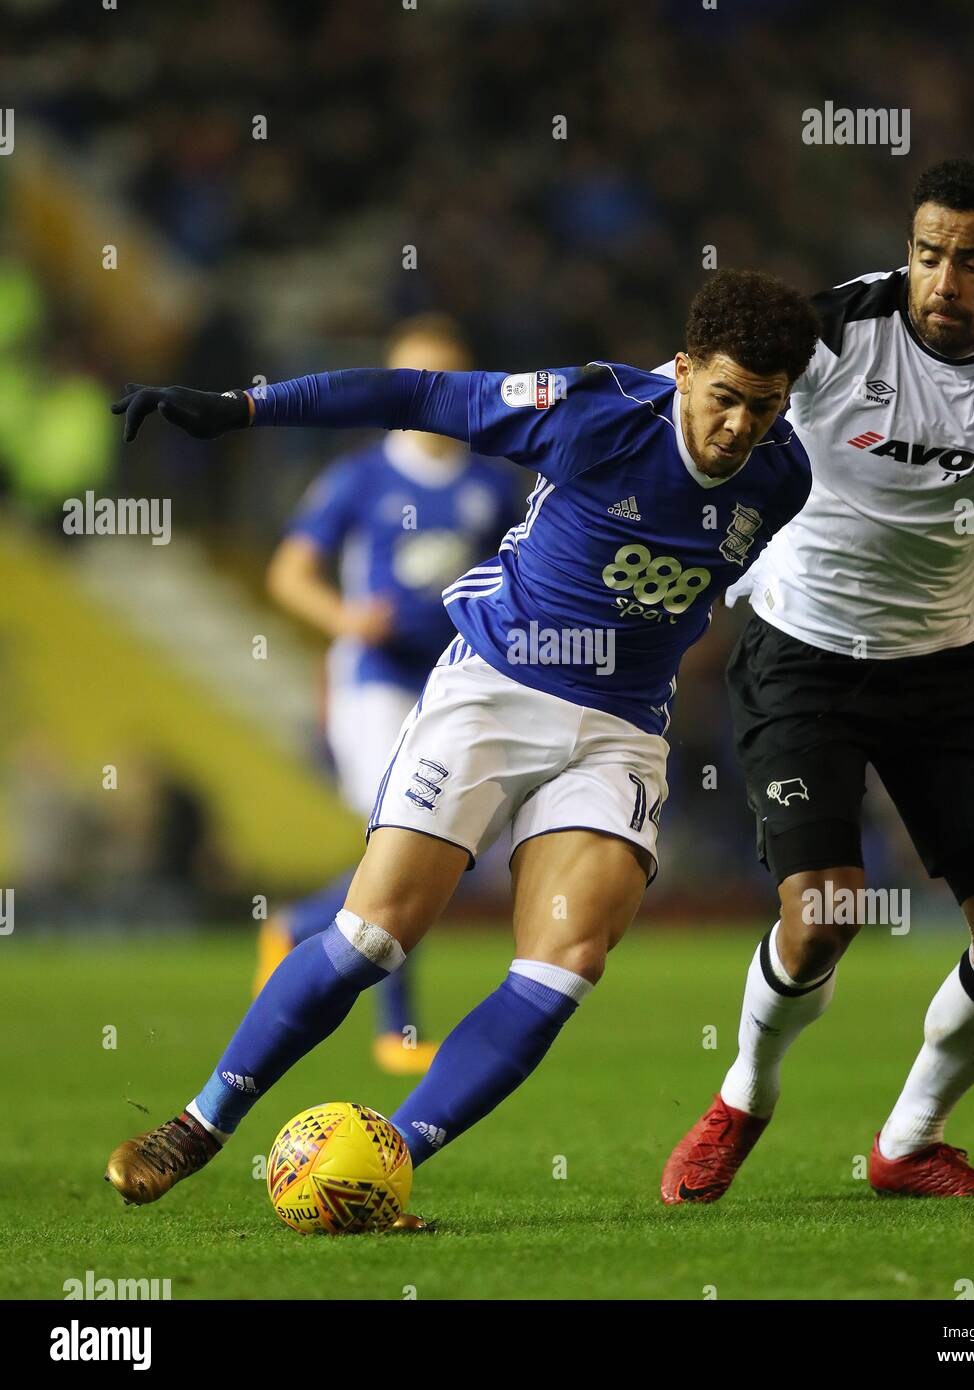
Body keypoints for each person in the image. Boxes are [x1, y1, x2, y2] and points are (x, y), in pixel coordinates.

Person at [103, 269, 819, 1208]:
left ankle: (375, 1170)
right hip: (495, 687)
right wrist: (241, 408)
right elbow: (419, 396)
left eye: (763, 408)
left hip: (620, 729)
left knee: (566, 966)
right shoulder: (594, 410)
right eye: (724, 397)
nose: (738, 428)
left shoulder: (785, 478)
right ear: (683, 371)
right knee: (371, 935)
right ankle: (196, 1126)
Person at [661, 159, 974, 1204]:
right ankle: (744, 1096)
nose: (941, 281)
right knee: (824, 913)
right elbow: (692, 391)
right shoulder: (832, 331)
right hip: (798, 654)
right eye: (926, 254)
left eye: (969, 260)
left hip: (943, 668)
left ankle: (910, 1141)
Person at [256, 314, 517, 1075]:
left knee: (441, 848)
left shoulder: (489, 482)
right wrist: (346, 618)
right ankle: (394, 1031)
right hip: (371, 682)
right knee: (409, 841)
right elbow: (288, 574)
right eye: (413, 378)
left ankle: (299, 923)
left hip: (453, 684)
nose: (426, 394)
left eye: (441, 379)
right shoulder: (360, 474)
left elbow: (519, 573)